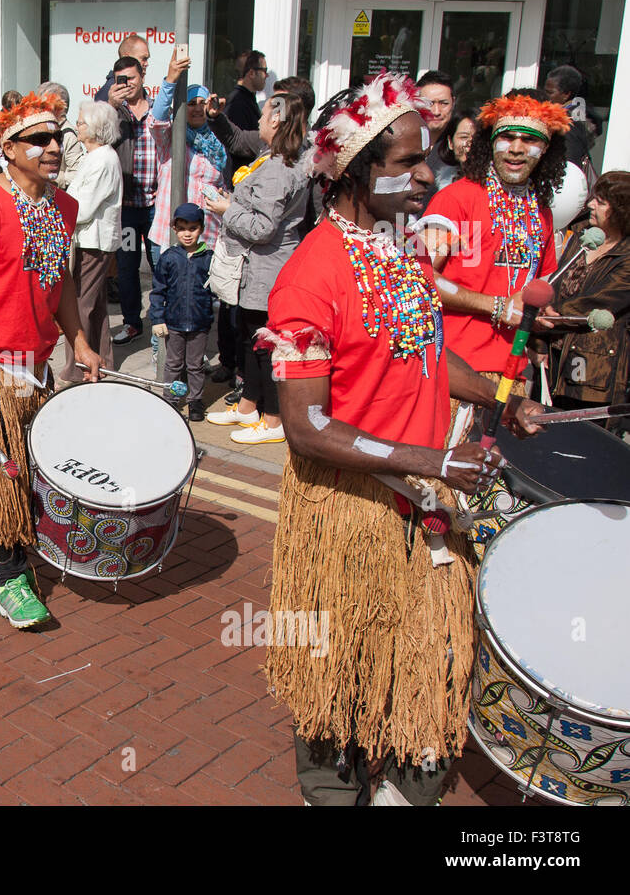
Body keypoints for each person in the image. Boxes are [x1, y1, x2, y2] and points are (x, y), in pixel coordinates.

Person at [260, 72, 544, 805]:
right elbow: (306, 426)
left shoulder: (404, 245)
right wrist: (438, 460)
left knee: (430, 678)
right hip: (350, 515)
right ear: (354, 171)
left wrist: (500, 394)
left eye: (428, 159)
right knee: (336, 677)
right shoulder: (307, 279)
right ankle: (331, 790)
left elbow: (423, 351)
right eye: (406, 164)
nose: (428, 175)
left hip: (424, 508)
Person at [0, 91, 102, 630]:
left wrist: (77, 339)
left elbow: (63, 279)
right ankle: (11, 580)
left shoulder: (64, 206)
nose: (54, 147)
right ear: (8, 148)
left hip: (38, 362)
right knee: (0, 475)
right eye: (40, 139)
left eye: (59, 137)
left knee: (29, 471)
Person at [423, 93, 569, 379]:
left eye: (529, 140)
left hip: (513, 370)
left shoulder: (541, 212)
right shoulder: (454, 199)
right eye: (508, 137)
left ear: (546, 148)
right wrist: (497, 306)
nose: (516, 149)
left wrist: (539, 315)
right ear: (490, 141)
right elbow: (417, 277)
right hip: (455, 369)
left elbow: (535, 287)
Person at [203, 91, 310, 444]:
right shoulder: (272, 158)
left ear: (277, 120)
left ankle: (274, 419)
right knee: (251, 338)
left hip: (268, 268)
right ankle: (248, 406)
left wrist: (225, 210)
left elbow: (263, 229)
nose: (259, 121)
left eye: (263, 115)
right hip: (258, 270)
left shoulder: (279, 169)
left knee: (265, 345)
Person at [543, 172, 630, 418]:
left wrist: (550, 317)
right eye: (592, 198)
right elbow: (554, 283)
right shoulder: (581, 234)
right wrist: (537, 340)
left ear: (621, 210)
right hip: (552, 358)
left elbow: (599, 300)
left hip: (593, 374)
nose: (590, 204)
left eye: (601, 202)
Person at [61, 99, 121, 383]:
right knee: (95, 305)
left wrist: (57, 209)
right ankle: (103, 361)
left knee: (79, 304)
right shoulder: (97, 157)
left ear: (96, 128)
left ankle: (78, 367)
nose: (77, 126)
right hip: (91, 239)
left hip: (92, 241)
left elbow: (82, 209)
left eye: (82, 123)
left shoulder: (102, 160)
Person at [107, 55, 164, 346]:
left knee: (160, 264)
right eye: (120, 79)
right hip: (127, 208)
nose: (126, 84)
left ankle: (161, 321)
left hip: (156, 205)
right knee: (127, 266)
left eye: (131, 78)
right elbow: (98, 138)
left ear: (142, 77)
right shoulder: (115, 112)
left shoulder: (158, 108)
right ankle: (132, 323)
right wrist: (111, 108)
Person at [149, 203, 214, 421]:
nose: (188, 233)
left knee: (195, 365)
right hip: (174, 322)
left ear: (201, 229)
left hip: (199, 322)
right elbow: (158, 290)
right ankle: (172, 399)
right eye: (183, 228)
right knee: (173, 364)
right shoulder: (169, 257)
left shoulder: (207, 257)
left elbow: (215, 287)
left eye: (193, 228)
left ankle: (195, 400)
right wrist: (157, 318)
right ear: (175, 229)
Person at [148, 81, 226, 254]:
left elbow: (219, 183)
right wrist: (171, 80)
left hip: (207, 237)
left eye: (202, 103)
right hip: (172, 236)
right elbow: (157, 119)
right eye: (191, 104)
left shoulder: (215, 144)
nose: (198, 108)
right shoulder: (171, 137)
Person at [544, 65, 595, 173]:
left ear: (566, 94)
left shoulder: (569, 124)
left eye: (550, 92)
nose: (545, 96)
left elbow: (569, 165)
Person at [35, 82, 84, 189]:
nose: (38, 110)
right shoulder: (42, 128)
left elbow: (77, 173)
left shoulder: (68, 135)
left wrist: (51, 176)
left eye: (43, 105)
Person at [417, 70, 457, 193]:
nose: (436, 111)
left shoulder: (459, 145)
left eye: (444, 103)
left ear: (453, 103)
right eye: (429, 104)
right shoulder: (404, 141)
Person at [93, 33, 152, 102]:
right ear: (126, 57)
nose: (147, 64)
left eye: (147, 59)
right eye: (143, 58)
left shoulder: (137, 88)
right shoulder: (110, 90)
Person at [224, 50, 268, 134]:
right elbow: (238, 143)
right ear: (251, 73)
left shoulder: (247, 99)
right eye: (264, 71)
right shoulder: (237, 103)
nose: (267, 76)